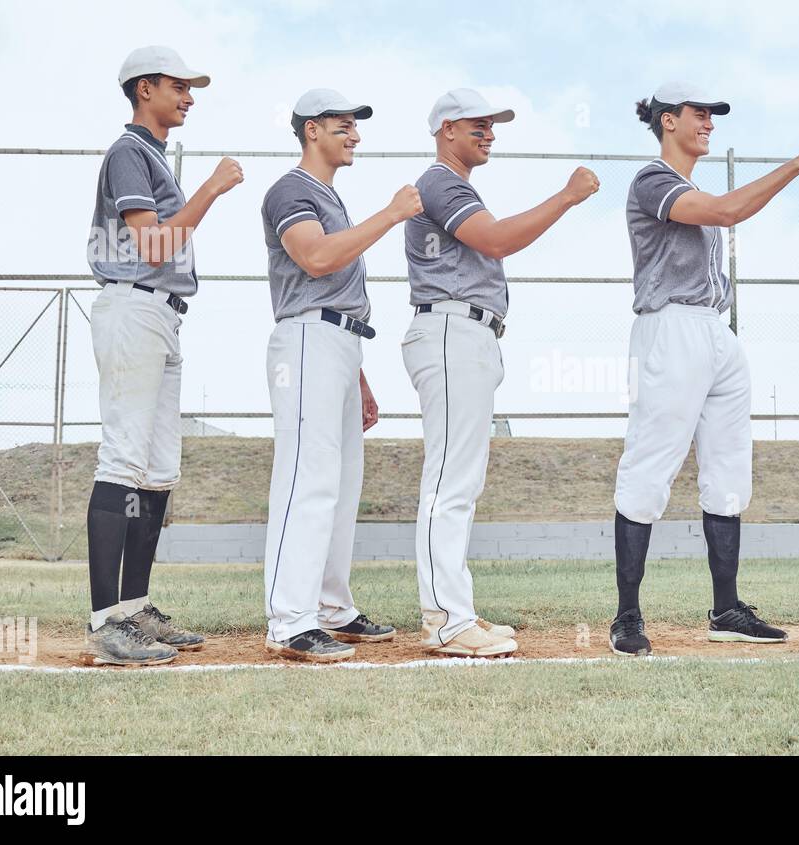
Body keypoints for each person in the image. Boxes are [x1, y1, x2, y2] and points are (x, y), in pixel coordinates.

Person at [609, 83, 799, 656]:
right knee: (649, 469)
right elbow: (729, 212)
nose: (709, 122)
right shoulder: (652, 180)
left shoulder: (690, 187)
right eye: (698, 114)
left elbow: (720, 211)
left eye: (712, 114)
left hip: (713, 330)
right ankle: (626, 617)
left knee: (730, 471)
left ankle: (726, 609)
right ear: (666, 121)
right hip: (670, 329)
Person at [402, 88, 599, 657]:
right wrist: (566, 196)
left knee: (460, 481)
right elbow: (496, 238)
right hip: (449, 329)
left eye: (493, 125)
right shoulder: (440, 180)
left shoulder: (456, 184)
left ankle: (454, 610)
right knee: (448, 481)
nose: (490, 133)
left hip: (468, 332)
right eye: (477, 125)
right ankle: (445, 620)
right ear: (445, 130)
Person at [81, 46, 243, 666]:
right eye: (179, 86)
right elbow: (152, 245)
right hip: (134, 305)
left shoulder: (150, 156)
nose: (190, 96)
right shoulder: (129, 151)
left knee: (156, 469)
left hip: (164, 314)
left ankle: (133, 608)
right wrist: (211, 189)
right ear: (144, 88)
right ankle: (105, 624)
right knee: (123, 457)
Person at [259, 89, 422, 662]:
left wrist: (359, 374)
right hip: (305, 337)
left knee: (341, 485)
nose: (354, 134)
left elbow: (338, 286)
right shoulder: (291, 190)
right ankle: (289, 619)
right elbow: (317, 259)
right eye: (342, 125)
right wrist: (393, 213)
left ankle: (330, 607)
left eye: (356, 126)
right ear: (310, 131)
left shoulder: (328, 196)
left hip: (339, 343)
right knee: (307, 478)